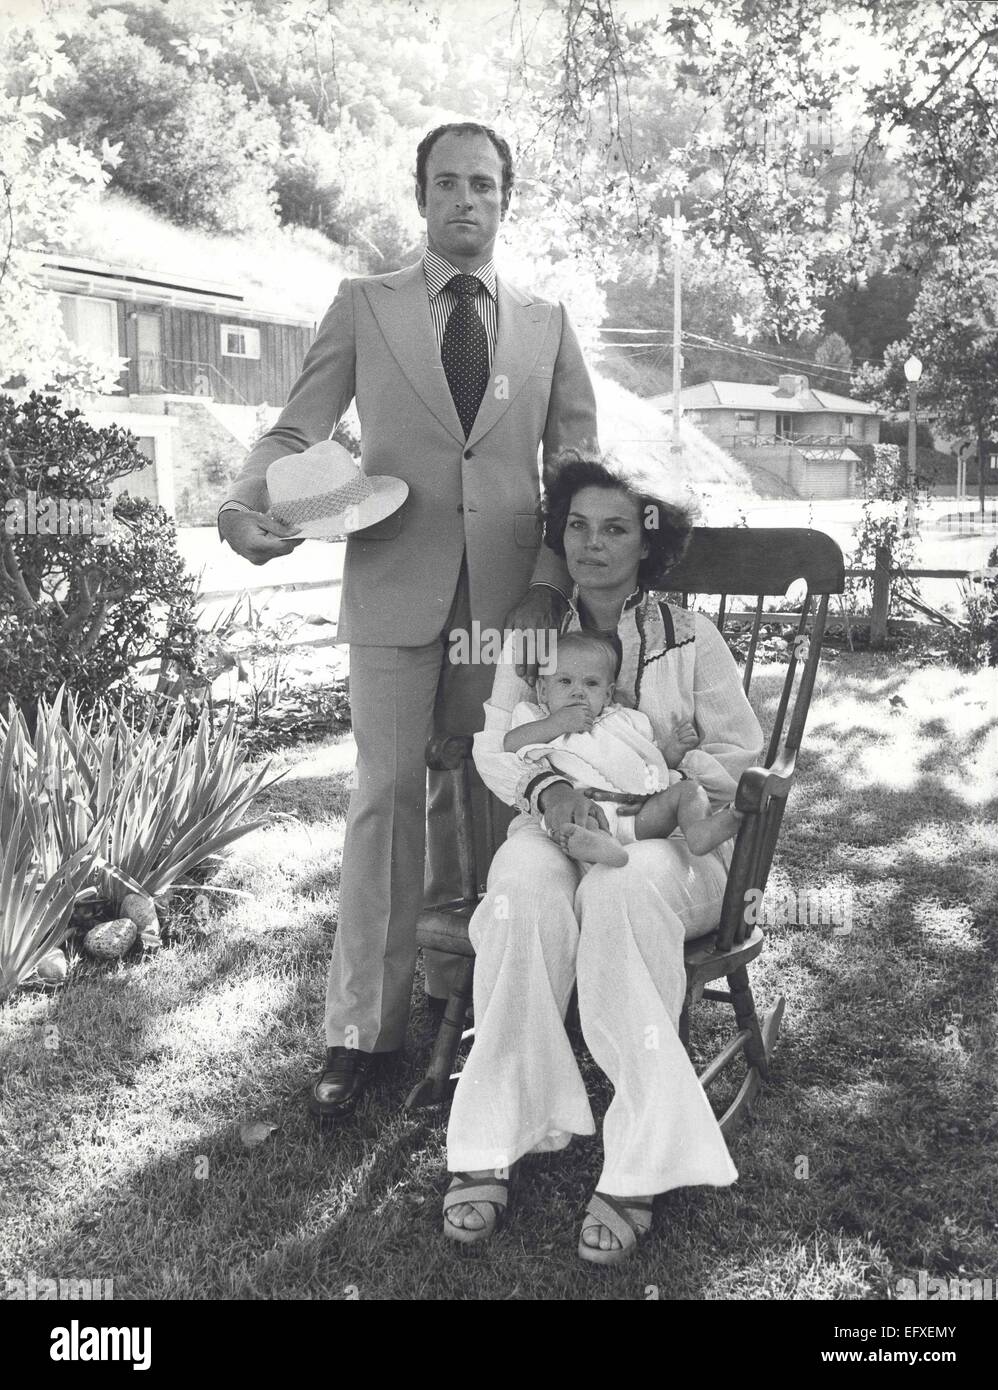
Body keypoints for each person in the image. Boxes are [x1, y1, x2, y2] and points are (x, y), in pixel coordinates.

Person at [217, 122, 597, 1120]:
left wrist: (552, 575)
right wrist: (242, 501)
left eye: (482, 183)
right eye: (445, 183)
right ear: (419, 196)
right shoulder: (364, 305)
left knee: (495, 799)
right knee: (385, 801)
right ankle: (361, 1031)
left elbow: (578, 464)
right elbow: (296, 429)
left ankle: (493, 998)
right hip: (391, 588)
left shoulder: (549, 324)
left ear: (505, 199)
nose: (464, 199)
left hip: (509, 603)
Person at [441, 455, 765, 1265]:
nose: (593, 544)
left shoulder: (690, 637)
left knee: (625, 891)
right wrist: (548, 787)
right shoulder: (536, 639)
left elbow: (741, 752)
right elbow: (496, 744)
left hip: (669, 849)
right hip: (558, 832)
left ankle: (640, 1161)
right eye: (578, 525)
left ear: (647, 544)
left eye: (616, 528)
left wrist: (668, 785)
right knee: (518, 888)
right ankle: (493, 1130)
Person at [503, 629, 744, 866]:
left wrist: (673, 751)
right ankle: (600, 845)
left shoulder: (625, 720)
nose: (578, 691)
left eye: (591, 683)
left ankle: (699, 831)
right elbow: (511, 745)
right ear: (543, 690)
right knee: (569, 824)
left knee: (689, 791)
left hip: (637, 816)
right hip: (580, 809)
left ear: (608, 695)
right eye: (565, 681)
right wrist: (556, 724)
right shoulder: (536, 717)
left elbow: (650, 764)